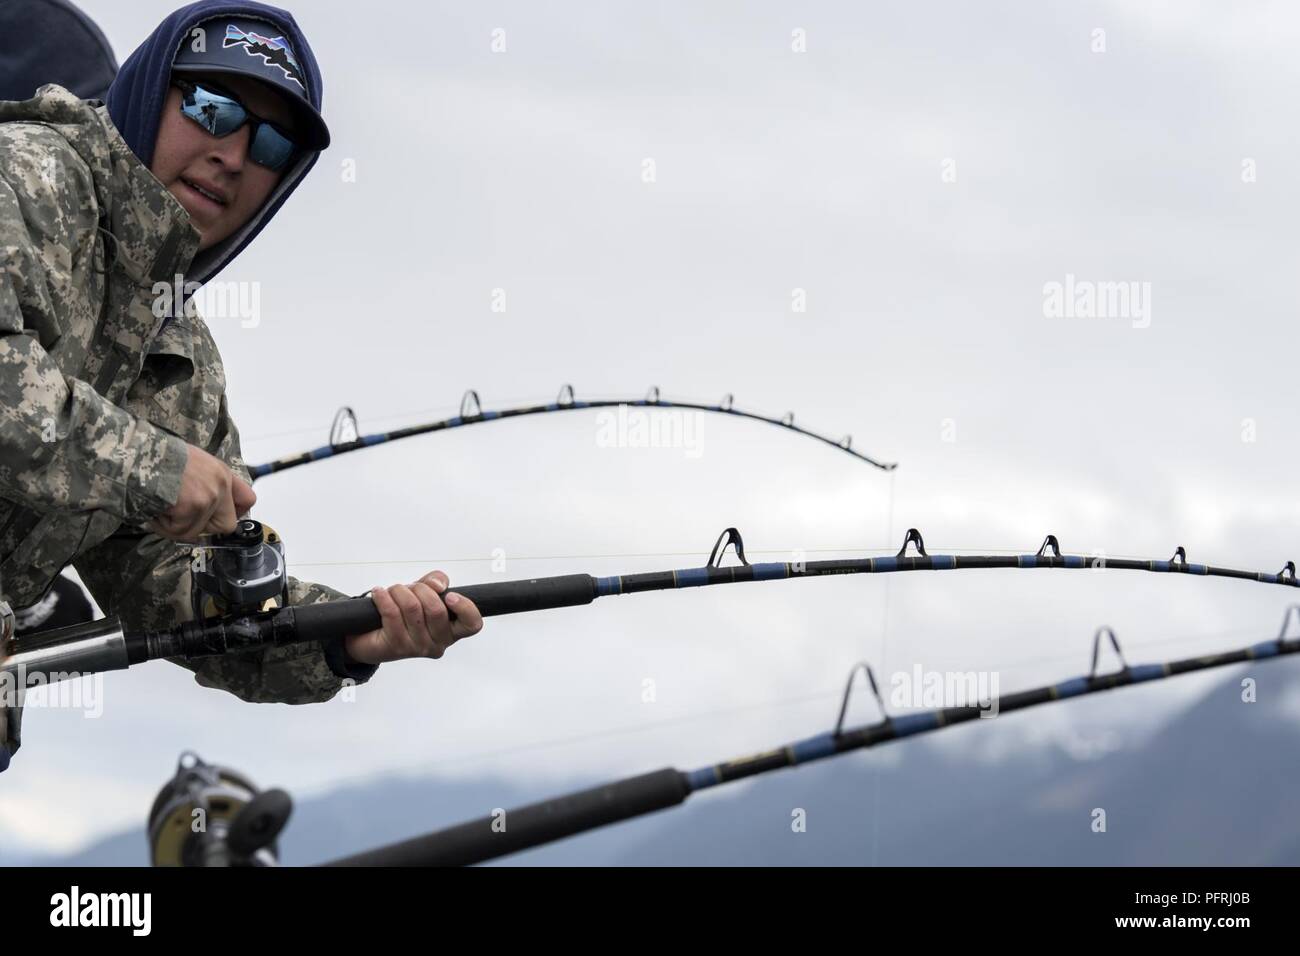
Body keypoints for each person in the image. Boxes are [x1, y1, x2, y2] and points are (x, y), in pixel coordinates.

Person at [0, 1, 484, 772]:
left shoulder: (183, 362)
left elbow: (170, 589)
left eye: (270, 141)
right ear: (147, 89)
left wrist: (351, 636)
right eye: (210, 106)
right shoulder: (23, 170)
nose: (233, 153)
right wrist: (156, 469)